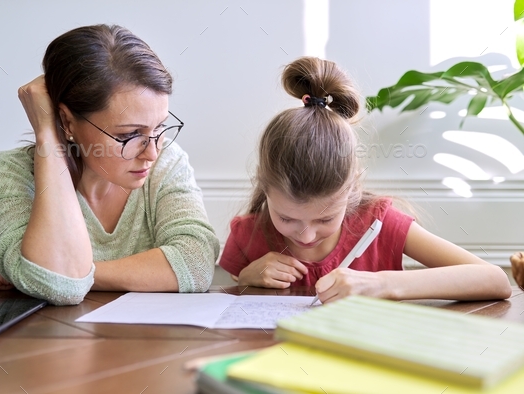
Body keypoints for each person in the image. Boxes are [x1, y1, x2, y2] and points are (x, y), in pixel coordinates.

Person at [218, 57, 512, 303]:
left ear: (351, 187)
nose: (306, 236)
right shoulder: (249, 234)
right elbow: (236, 286)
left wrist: (382, 284)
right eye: (286, 218)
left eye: (324, 219)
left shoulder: (378, 223)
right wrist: (247, 276)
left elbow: (495, 280)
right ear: (264, 188)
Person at [0, 24, 219, 306]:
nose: (152, 152)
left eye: (160, 127)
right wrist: (47, 134)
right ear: (67, 121)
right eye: (128, 135)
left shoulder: (167, 160)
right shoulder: (3, 174)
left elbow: (197, 264)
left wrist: (45, 273)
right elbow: (59, 287)